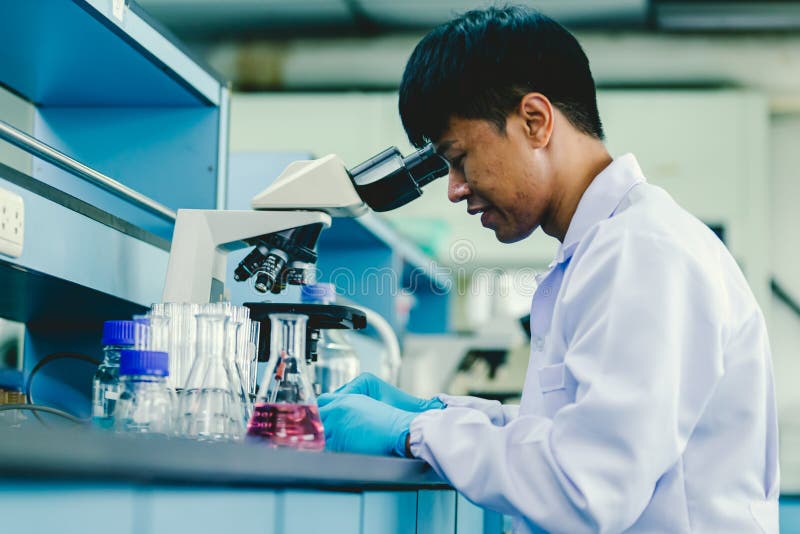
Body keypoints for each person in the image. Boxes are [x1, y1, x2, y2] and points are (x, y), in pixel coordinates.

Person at [318, 6, 779, 533]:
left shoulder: (644, 252)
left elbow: (584, 484)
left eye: (458, 157)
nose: (454, 189)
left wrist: (414, 431)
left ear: (534, 121)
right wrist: (441, 413)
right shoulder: (601, 252)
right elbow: (572, 436)